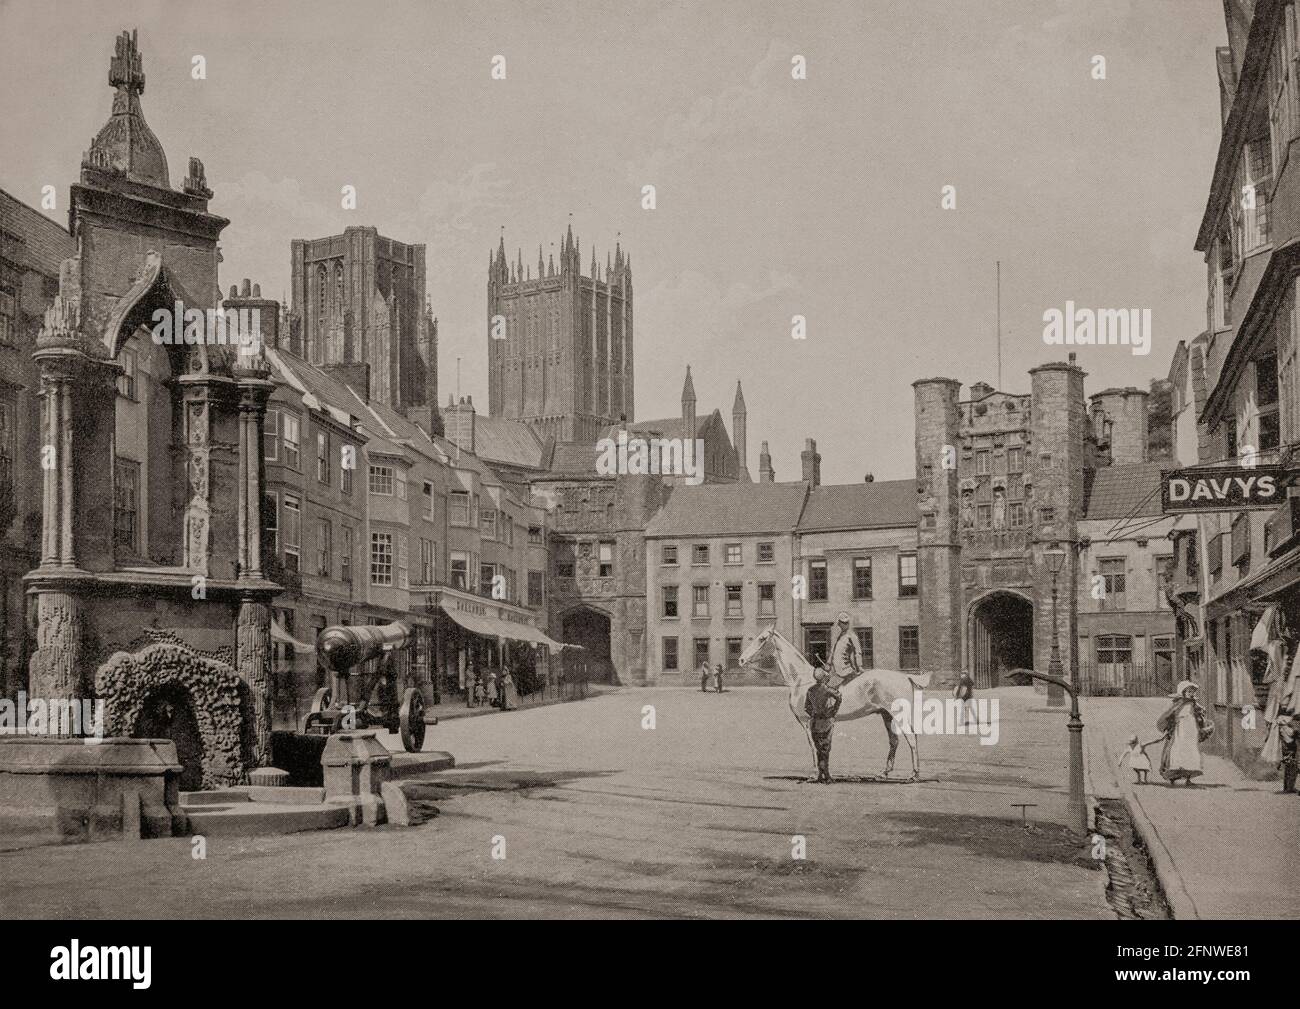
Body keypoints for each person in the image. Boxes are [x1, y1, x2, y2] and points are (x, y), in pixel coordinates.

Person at [1156, 679, 1213, 786]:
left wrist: (1201, 712)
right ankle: (1173, 776)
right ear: (1183, 692)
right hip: (1180, 728)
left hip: (1191, 728)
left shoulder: (1193, 703)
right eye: (1189, 692)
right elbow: (1170, 714)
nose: (1191, 694)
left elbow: (1199, 712)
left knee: (1190, 750)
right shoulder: (1178, 703)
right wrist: (1170, 725)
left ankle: (1188, 778)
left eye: (1192, 692)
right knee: (1178, 749)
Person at [804, 666, 842, 783]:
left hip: (815, 722)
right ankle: (826, 775)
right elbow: (839, 697)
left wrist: (814, 714)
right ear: (824, 677)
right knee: (825, 749)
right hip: (826, 721)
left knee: (819, 749)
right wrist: (834, 710)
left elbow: (806, 707)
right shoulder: (827, 689)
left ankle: (821, 774)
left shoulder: (810, 690)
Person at [827, 612, 863, 688]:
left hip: (846, 672)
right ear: (839, 624)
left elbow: (858, 652)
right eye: (842, 623)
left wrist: (859, 666)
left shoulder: (852, 636)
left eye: (846, 623)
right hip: (836, 671)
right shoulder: (839, 637)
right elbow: (833, 651)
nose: (844, 625)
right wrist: (828, 663)